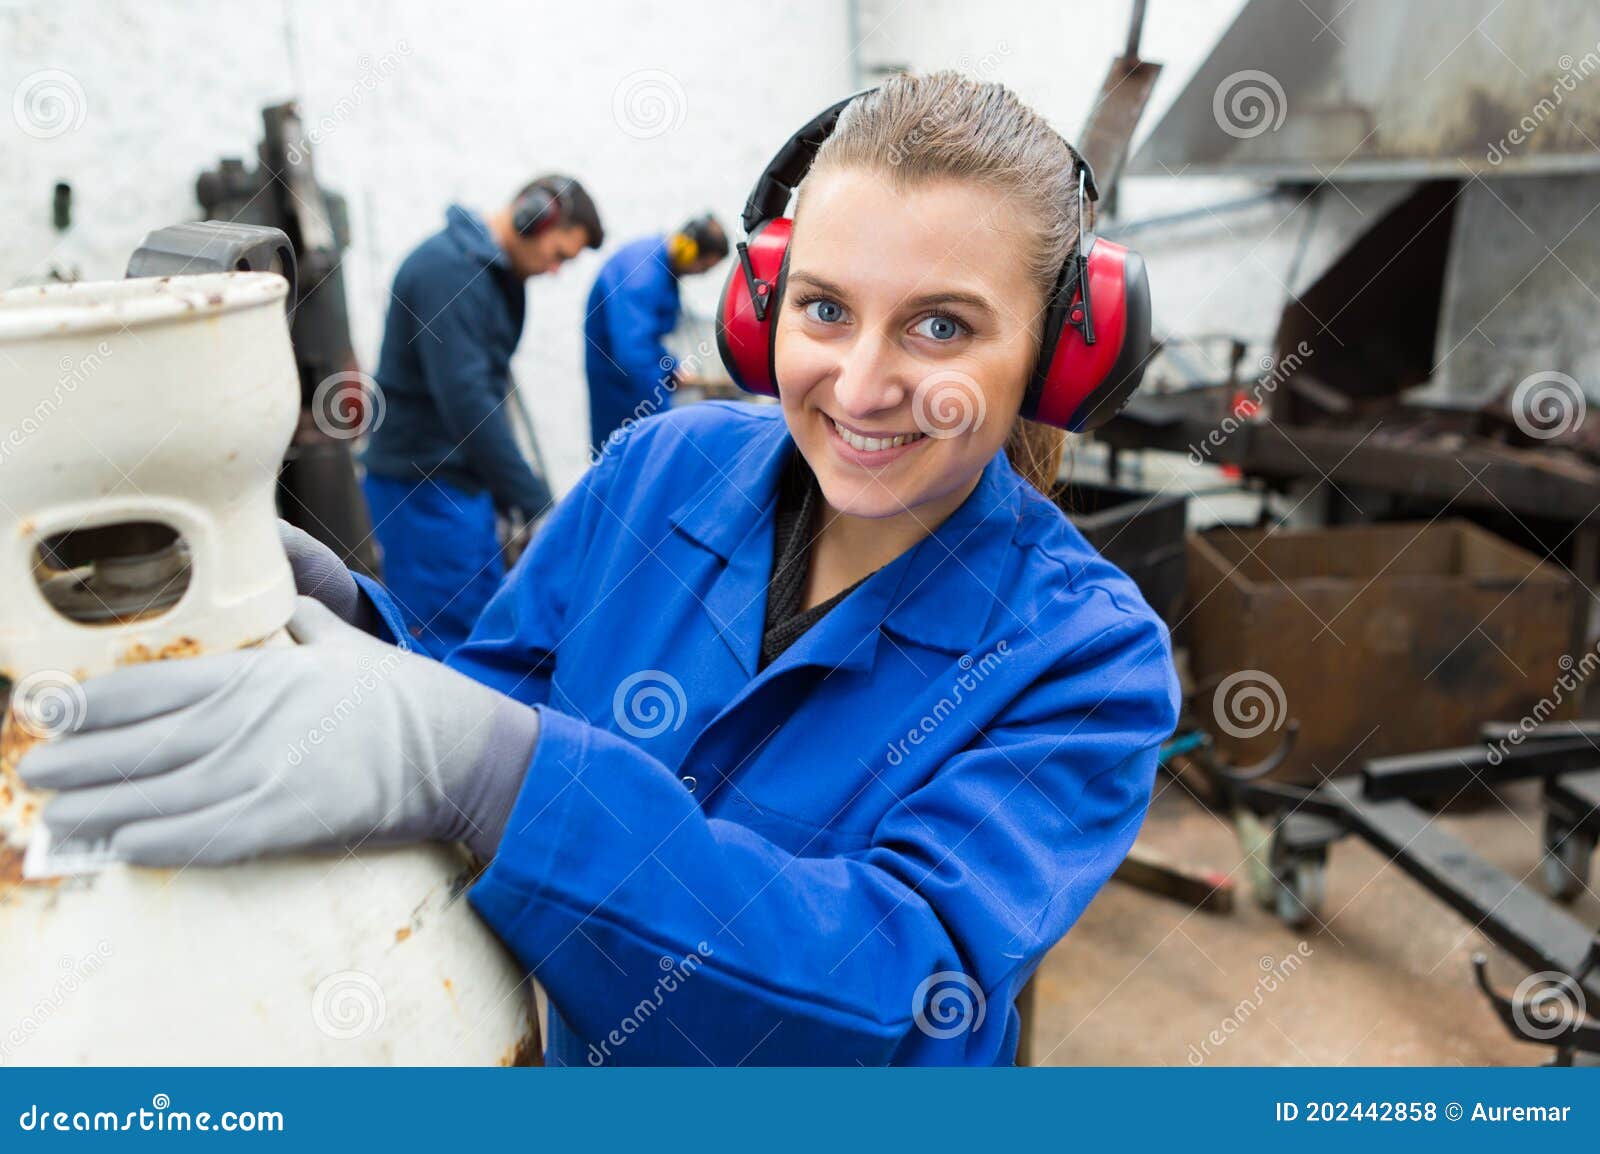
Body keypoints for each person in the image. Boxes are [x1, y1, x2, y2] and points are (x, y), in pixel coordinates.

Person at [20, 74, 1179, 1066]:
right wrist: (342, 620)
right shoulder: (667, 468)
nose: (862, 384)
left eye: (940, 327)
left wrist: (495, 775)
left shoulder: (1086, 658)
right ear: (760, 305)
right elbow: (502, 694)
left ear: (1058, 353)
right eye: (825, 308)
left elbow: (888, 990)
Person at [362, 175, 604, 652]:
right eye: (559, 255)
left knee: (478, 627)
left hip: (456, 486)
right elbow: (467, 401)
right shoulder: (448, 273)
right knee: (448, 644)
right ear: (533, 217)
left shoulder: (490, 275)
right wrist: (535, 501)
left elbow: (485, 390)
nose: (554, 270)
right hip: (426, 491)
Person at [583, 213, 729, 447]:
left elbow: (647, 339)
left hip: (629, 380)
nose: (700, 275)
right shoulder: (642, 276)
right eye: (703, 268)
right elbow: (635, 354)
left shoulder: (657, 264)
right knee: (625, 457)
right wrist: (663, 419)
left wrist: (671, 368)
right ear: (689, 251)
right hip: (621, 386)